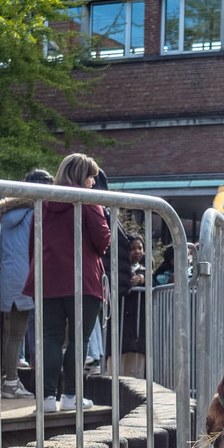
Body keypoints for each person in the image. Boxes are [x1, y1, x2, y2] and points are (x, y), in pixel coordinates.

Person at [22, 153, 109, 412]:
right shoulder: (87, 200)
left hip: (48, 277)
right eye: (91, 177)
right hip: (83, 279)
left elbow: (32, 241)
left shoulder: (44, 201)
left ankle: (47, 399)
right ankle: (71, 396)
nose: (93, 182)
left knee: (49, 337)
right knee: (79, 339)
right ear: (83, 176)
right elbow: (102, 240)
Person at [0, 169, 52, 399]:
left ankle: (7, 379)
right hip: (25, 277)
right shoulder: (35, 212)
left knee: (8, 332)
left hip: (7, 276)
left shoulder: (8, 214)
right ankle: (10, 382)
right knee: (17, 333)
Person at [111, 235, 149, 378]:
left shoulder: (146, 269)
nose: (137, 252)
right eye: (132, 249)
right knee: (116, 366)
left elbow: (152, 279)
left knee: (135, 370)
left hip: (138, 326)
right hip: (119, 322)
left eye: (140, 248)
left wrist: (142, 278)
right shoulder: (118, 268)